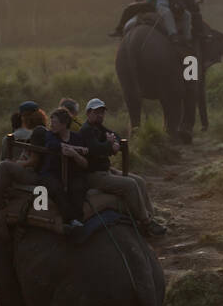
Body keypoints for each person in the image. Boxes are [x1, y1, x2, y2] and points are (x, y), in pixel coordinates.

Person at [76, 99, 166, 236]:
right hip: (94, 174)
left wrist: (114, 142)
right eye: (96, 112)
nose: (100, 115)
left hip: (107, 170)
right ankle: (146, 221)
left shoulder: (99, 128)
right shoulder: (86, 131)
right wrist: (109, 145)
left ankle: (150, 219)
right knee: (130, 184)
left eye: (101, 112)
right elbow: (95, 149)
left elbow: (115, 135)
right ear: (88, 113)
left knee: (139, 181)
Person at [0, 125, 48, 219]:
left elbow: (33, 161)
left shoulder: (39, 133)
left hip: (33, 174)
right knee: (1, 168)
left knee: (3, 166)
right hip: (29, 171)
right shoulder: (39, 134)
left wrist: (18, 163)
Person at [38, 107, 89, 227]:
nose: (51, 125)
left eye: (54, 122)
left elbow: (85, 163)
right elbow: (53, 145)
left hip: (72, 174)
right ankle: (69, 220)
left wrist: (74, 154)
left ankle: (79, 219)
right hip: (51, 173)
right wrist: (76, 148)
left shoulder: (77, 138)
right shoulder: (50, 135)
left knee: (78, 188)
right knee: (56, 188)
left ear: (64, 124)